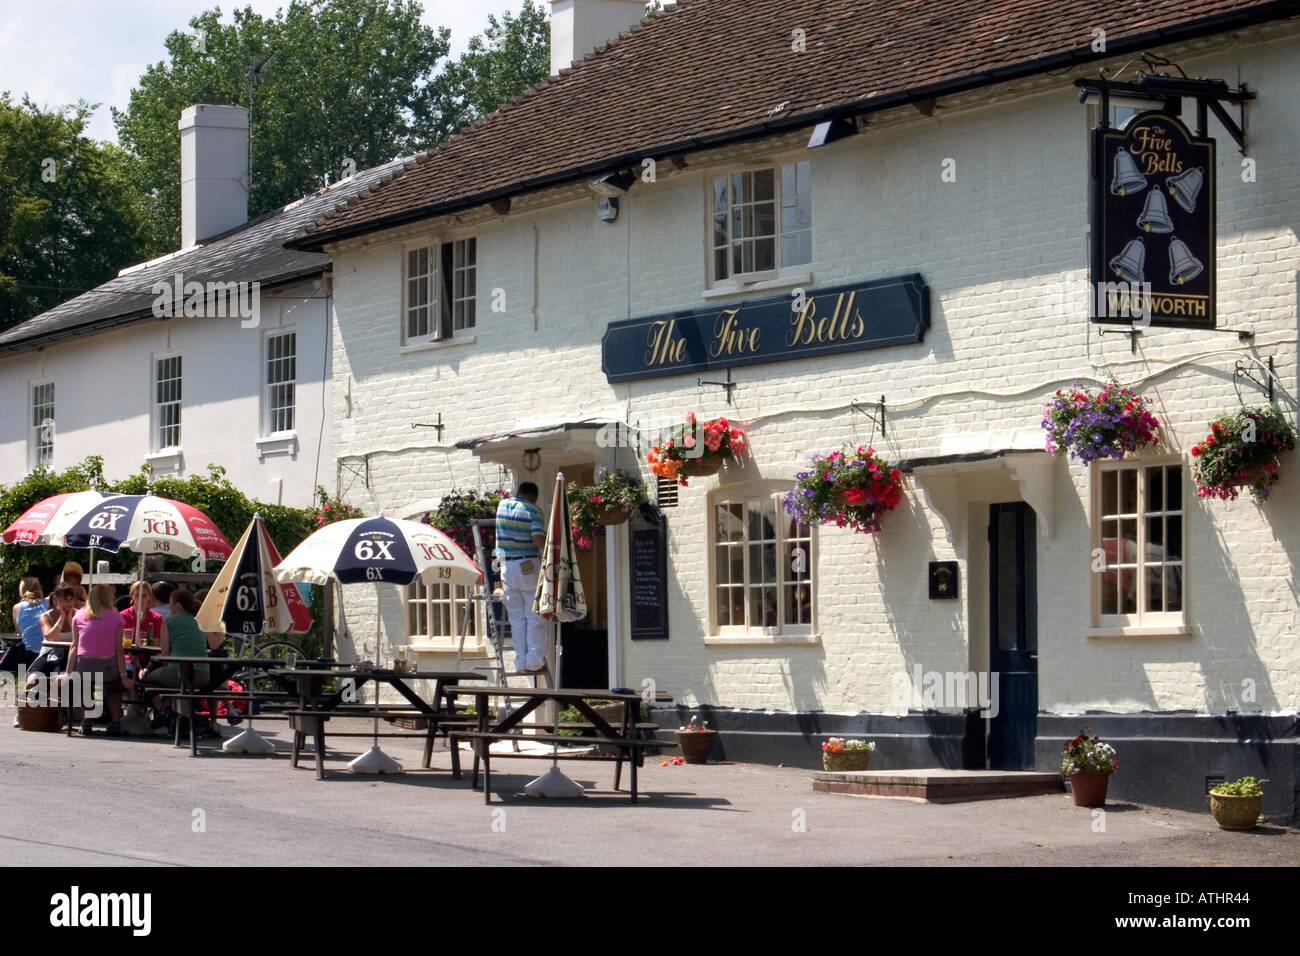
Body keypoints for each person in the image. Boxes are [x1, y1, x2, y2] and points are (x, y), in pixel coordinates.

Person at [138, 590, 223, 723]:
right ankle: (174, 712)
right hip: (202, 675)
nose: (169, 607)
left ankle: (163, 710)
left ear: (178, 605)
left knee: (145, 679)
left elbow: (164, 655)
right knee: (172, 681)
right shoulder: (199, 620)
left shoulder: (168, 622)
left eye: (171, 604)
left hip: (177, 673)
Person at [494, 481, 548, 673]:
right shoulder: (533, 510)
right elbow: (537, 539)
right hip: (527, 565)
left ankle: (520, 662)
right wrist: (553, 547)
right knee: (534, 614)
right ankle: (533, 661)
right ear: (533, 497)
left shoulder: (502, 506)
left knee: (516, 618)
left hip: (506, 566)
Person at [67, 584, 130, 735]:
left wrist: (68, 672)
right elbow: (119, 649)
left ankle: (86, 718)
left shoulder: (79, 616)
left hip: (85, 666)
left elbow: (74, 646)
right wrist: (123, 675)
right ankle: (115, 720)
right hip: (107, 667)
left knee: (84, 685)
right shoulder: (116, 617)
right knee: (114, 688)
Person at [1, 578, 46, 675]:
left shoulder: (17, 608)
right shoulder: (48, 604)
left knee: (16, 647)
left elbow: (20, 633)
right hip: (47, 654)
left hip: (29, 656)